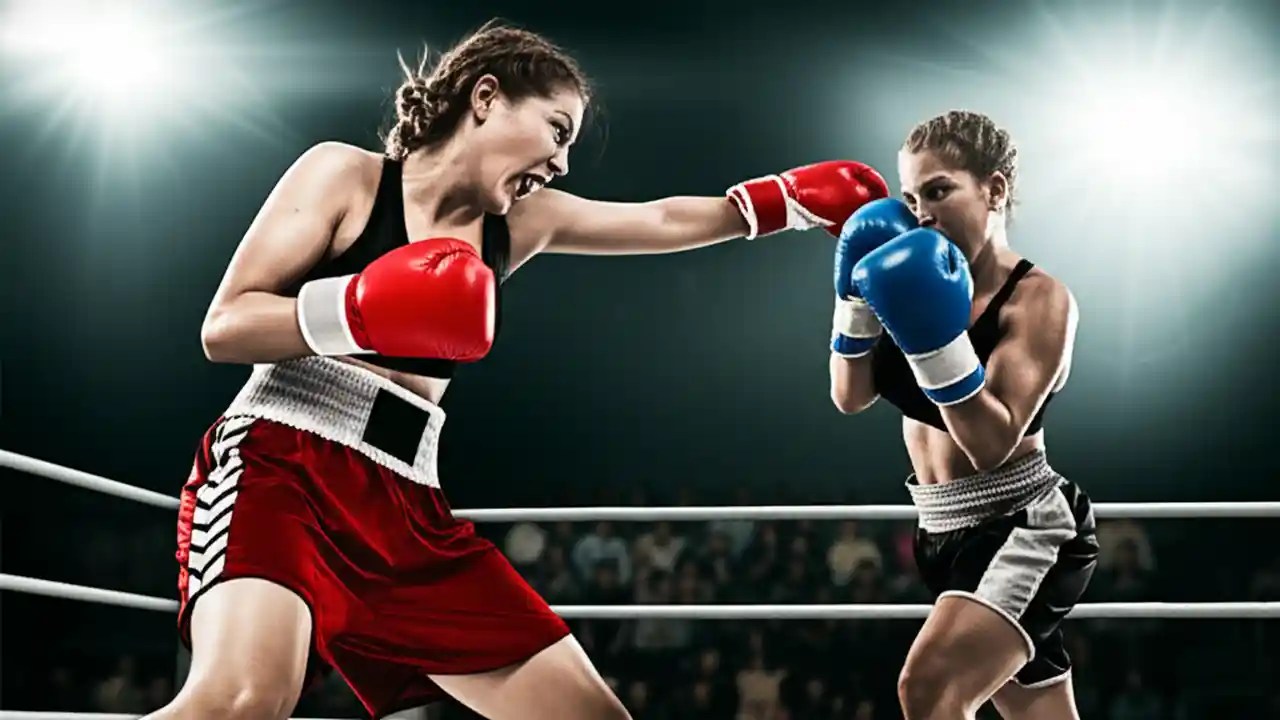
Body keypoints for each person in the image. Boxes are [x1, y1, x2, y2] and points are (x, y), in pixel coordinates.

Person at [148, 20, 889, 720]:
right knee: (242, 701)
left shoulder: (520, 225)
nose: (562, 161)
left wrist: (782, 200)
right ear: (486, 97)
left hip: (407, 505)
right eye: (556, 129)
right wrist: (361, 308)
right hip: (282, 465)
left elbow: (658, 219)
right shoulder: (345, 175)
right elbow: (227, 325)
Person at [828, 109, 1099, 719]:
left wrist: (934, 337)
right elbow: (850, 395)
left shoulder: (1038, 299)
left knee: (928, 691)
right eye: (910, 195)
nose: (920, 212)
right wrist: (854, 303)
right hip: (940, 531)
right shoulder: (905, 274)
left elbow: (990, 443)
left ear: (994, 189)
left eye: (939, 190)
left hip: (1023, 526)